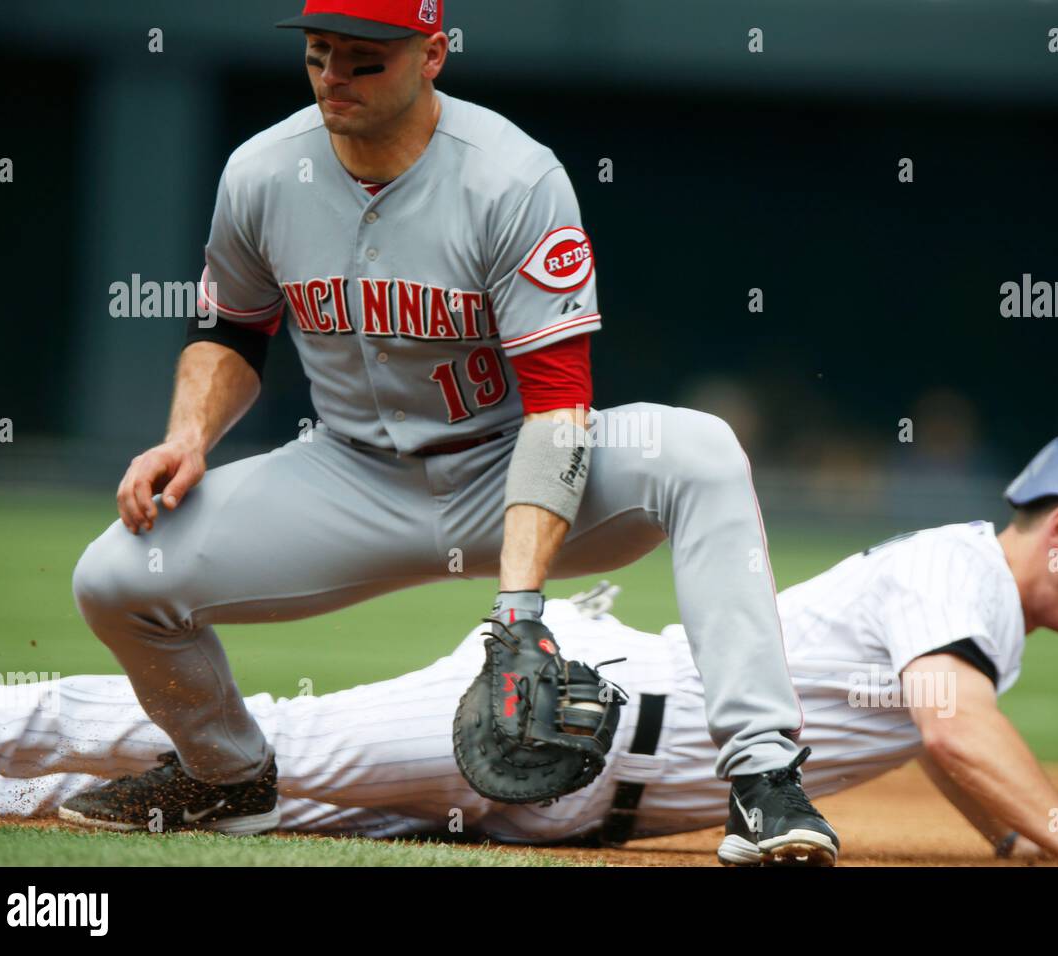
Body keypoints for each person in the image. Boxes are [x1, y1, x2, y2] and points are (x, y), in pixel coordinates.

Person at [62, 0, 832, 865]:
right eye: (319, 55)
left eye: (364, 58)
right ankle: (227, 775)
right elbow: (234, 330)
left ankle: (766, 780)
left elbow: (559, 408)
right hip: (347, 477)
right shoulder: (264, 173)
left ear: (433, 54)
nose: (334, 77)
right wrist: (188, 437)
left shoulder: (512, 177)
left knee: (699, 453)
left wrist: (519, 613)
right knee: (115, 576)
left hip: (512, 464)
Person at [0, 433, 1058, 866]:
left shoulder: (974, 607)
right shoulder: (959, 571)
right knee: (275, 747)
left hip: (566, 795)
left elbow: (929, 721)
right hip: (578, 722)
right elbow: (943, 719)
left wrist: (1016, 835)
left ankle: (4, 790)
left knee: (256, 809)